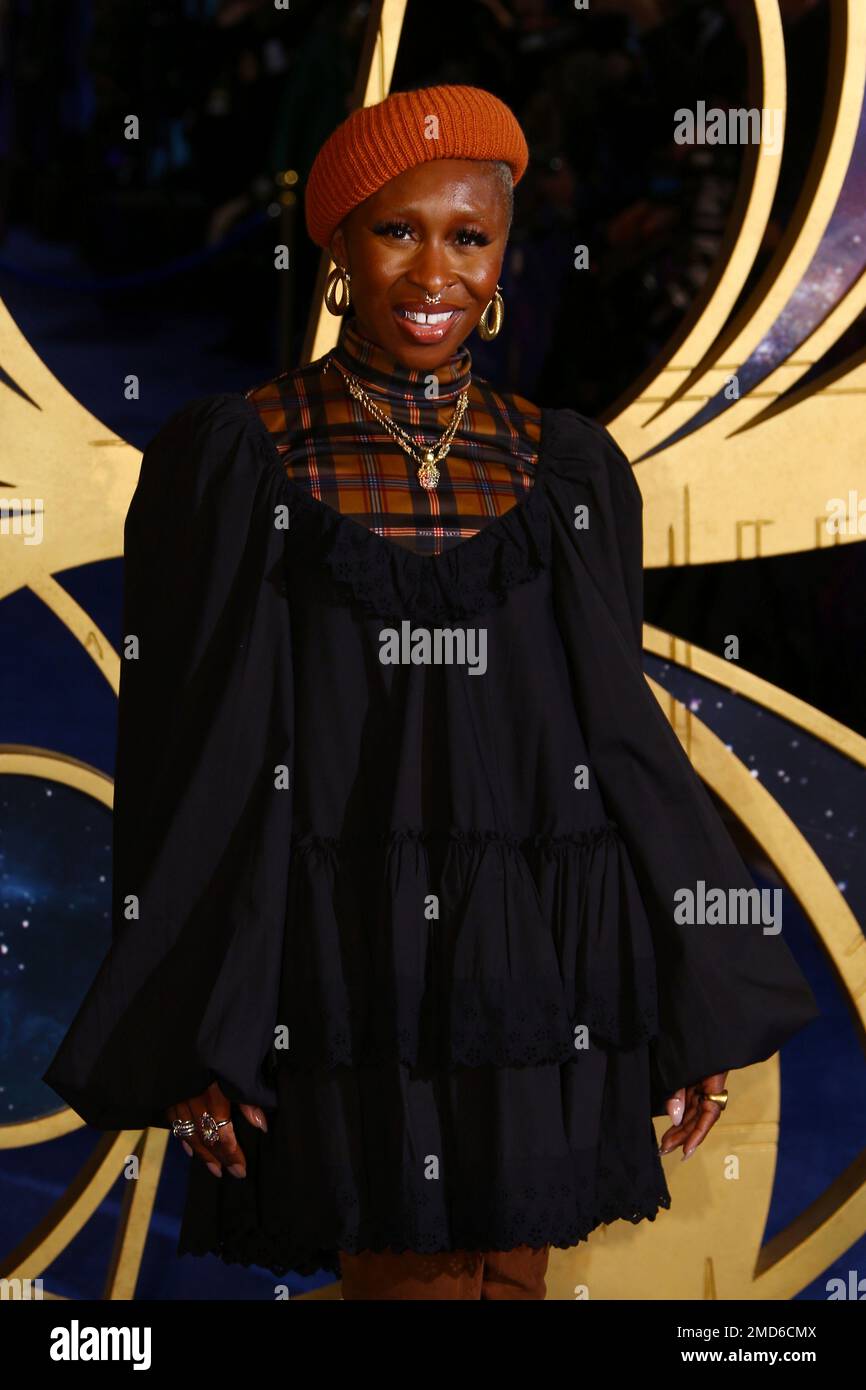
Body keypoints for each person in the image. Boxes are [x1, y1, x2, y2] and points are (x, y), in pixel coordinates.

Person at [43, 84, 820, 1302]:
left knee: (512, 1289)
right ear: (340, 244)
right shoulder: (237, 457)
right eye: (398, 229)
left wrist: (685, 983)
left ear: (504, 254)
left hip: (545, 959)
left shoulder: (566, 463)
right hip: (346, 968)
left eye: (469, 236)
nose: (434, 270)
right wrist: (200, 1016)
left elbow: (619, 742)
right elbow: (186, 762)